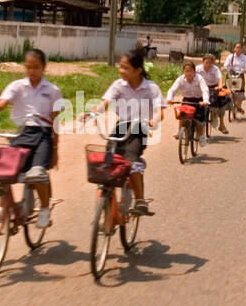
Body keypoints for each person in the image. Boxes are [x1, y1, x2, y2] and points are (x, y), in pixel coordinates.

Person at [0, 47, 62, 228]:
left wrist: (55, 148)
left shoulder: (53, 90)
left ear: (44, 67)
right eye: (28, 67)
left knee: (38, 173)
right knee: (3, 169)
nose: (32, 71)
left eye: (36, 67)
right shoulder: (17, 86)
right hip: (22, 132)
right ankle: (2, 204)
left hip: (43, 135)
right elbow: (3, 102)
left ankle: (45, 209)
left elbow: (55, 120)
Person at [85, 47, 163, 216]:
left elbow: (159, 112)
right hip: (121, 126)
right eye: (120, 66)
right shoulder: (118, 85)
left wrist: (153, 121)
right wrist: (92, 114)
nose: (121, 70)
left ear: (138, 70)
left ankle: (140, 200)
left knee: (131, 161)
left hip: (140, 129)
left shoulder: (151, 88)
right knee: (108, 159)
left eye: (125, 67)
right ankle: (107, 196)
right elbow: (105, 102)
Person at [166, 60, 211, 146]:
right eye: (186, 71)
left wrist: (205, 101)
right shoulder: (180, 79)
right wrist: (169, 99)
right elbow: (172, 90)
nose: (188, 73)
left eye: (190, 71)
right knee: (181, 115)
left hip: (198, 101)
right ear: (183, 72)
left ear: (194, 71)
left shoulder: (200, 79)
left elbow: (205, 90)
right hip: (186, 100)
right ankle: (180, 131)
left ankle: (201, 136)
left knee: (199, 120)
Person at [195, 53, 229, 134]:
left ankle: (221, 124)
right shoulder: (197, 68)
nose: (208, 64)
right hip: (201, 88)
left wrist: (220, 86)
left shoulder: (215, 69)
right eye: (206, 62)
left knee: (222, 102)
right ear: (203, 62)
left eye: (210, 63)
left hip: (213, 88)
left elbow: (220, 78)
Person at [223, 44, 246, 111]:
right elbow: (226, 65)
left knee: (240, 91)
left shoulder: (245, 58)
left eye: (239, 48)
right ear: (234, 49)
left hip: (240, 75)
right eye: (236, 47)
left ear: (241, 49)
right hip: (231, 74)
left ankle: (239, 106)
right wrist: (224, 68)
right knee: (227, 89)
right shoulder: (230, 57)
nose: (238, 49)